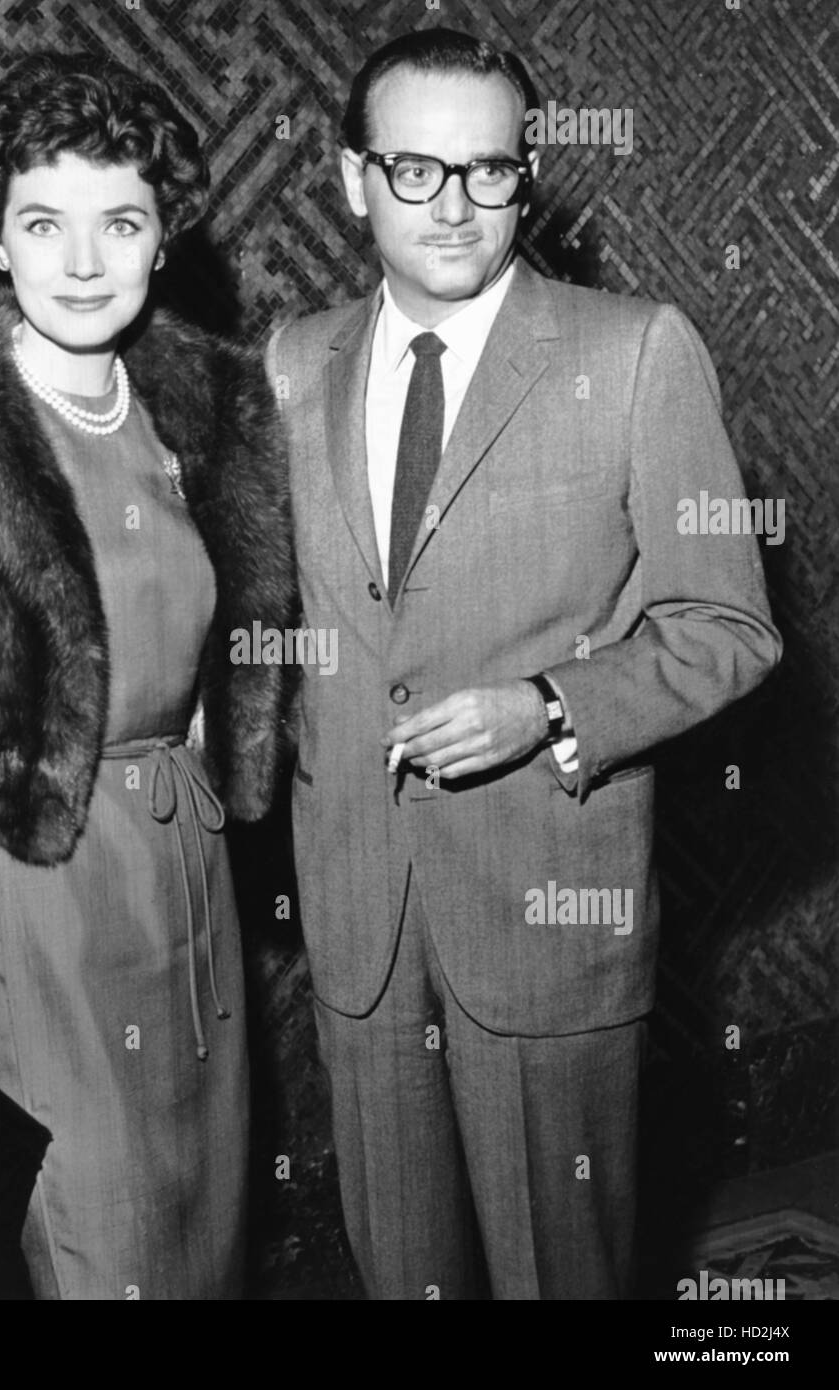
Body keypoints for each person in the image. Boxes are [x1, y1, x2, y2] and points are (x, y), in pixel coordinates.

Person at [266, 28, 782, 1300]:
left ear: (528, 175)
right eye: (414, 170)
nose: (451, 205)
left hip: (551, 911)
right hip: (358, 917)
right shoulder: (289, 359)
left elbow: (731, 627)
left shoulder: (635, 350)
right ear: (351, 181)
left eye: (487, 172)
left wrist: (550, 704)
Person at [0, 49, 295, 1300]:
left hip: (182, 874)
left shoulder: (204, 406)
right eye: (44, 222)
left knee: (205, 1232)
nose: (84, 263)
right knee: (95, 1242)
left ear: (161, 234)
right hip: (17, 889)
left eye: (118, 222)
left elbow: (228, 647)